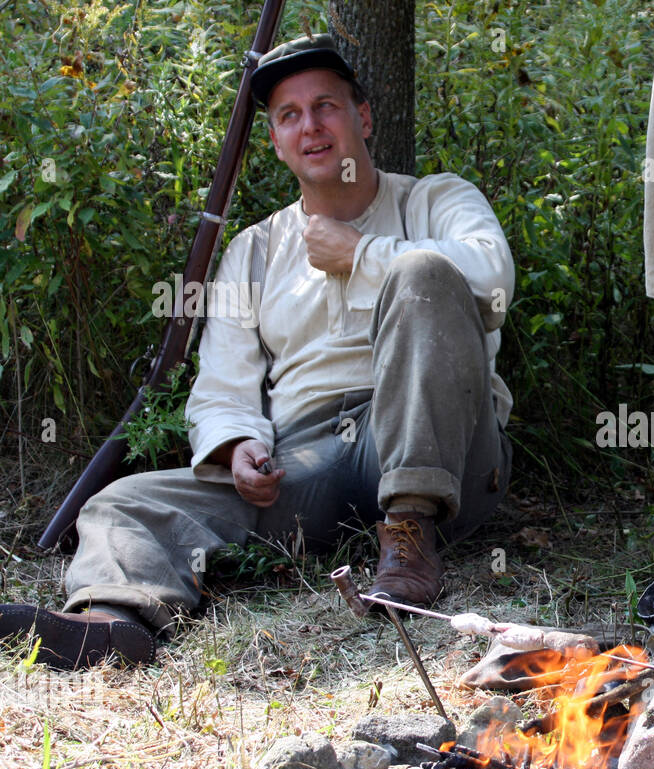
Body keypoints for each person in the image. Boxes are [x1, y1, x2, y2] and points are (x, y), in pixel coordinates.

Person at [1, 36, 514, 669]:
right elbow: (222, 385)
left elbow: (493, 281)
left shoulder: (434, 201)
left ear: (365, 118)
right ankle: (114, 621)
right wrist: (238, 444)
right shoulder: (255, 249)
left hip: (446, 453)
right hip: (311, 465)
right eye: (289, 114)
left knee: (424, 271)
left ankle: (409, 534)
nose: (311, 126)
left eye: (326, 105)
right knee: (121, 502)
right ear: (275, 139)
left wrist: (360, 256)